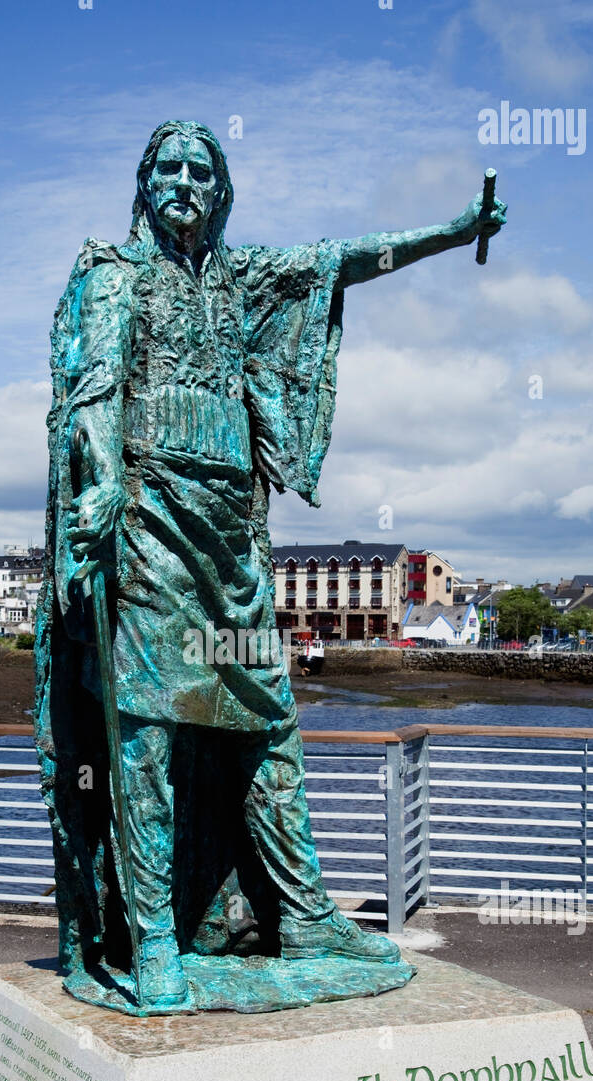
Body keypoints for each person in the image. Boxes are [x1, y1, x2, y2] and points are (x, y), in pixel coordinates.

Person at [35, 120, 506, 1008]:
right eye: (168, 167)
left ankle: (301, 911)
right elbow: (93, 390)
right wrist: (98, 486)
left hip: (230, 546)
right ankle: (155, 939)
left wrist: (454, 231)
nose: (184, 181)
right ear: (144, 183)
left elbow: (347, 258)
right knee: (146, 735)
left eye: (200, 170)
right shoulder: (113, 274)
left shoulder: (245, 279)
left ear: (221, 189)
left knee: (269, 727)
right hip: (147, 529)